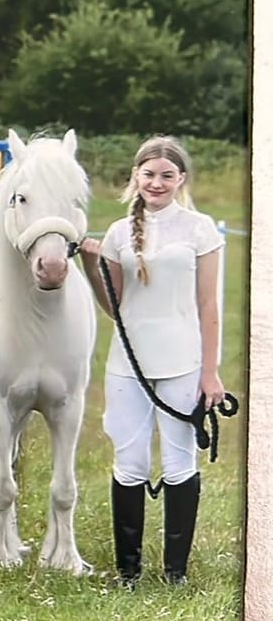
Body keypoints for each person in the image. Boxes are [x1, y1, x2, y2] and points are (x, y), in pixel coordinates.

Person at [77, 136, 227, 586]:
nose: (156, 183)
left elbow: (209, 306)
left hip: (183, 361)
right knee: (130, 462)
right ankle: (128, 570)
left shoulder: (200, 229)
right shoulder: (119, 232)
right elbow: (115, 305)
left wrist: (210, 372)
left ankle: (175, 572)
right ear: (136, 177)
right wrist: (92, 264)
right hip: (129, 365)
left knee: (181, 463)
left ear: (180, 179)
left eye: (166, 175)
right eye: (149, 174)